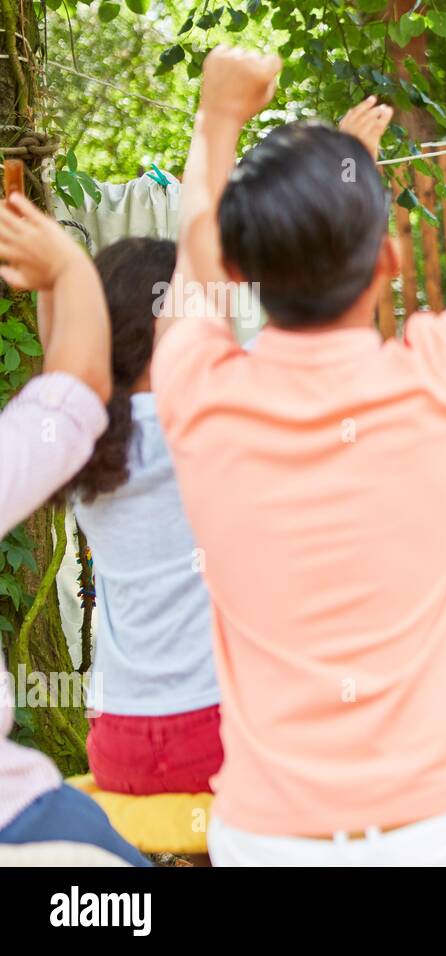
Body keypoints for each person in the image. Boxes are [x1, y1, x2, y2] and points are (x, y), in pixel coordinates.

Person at [149, 24, 446, 865]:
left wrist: (216, 117)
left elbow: (198, 267)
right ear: (391, 261)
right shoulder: (440, 375)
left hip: (271, 842)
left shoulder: (197, 395)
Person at [0, 190, 147, 865]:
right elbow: (74, 389)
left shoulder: (95, 474)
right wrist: (66, 267)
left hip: (117, 739)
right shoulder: (208, 440)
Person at [53, 238, 223, 796]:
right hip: (214, 735)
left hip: (117, 744)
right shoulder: (199, 428)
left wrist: (58, 280)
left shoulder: (85, 440)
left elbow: (62, 369)